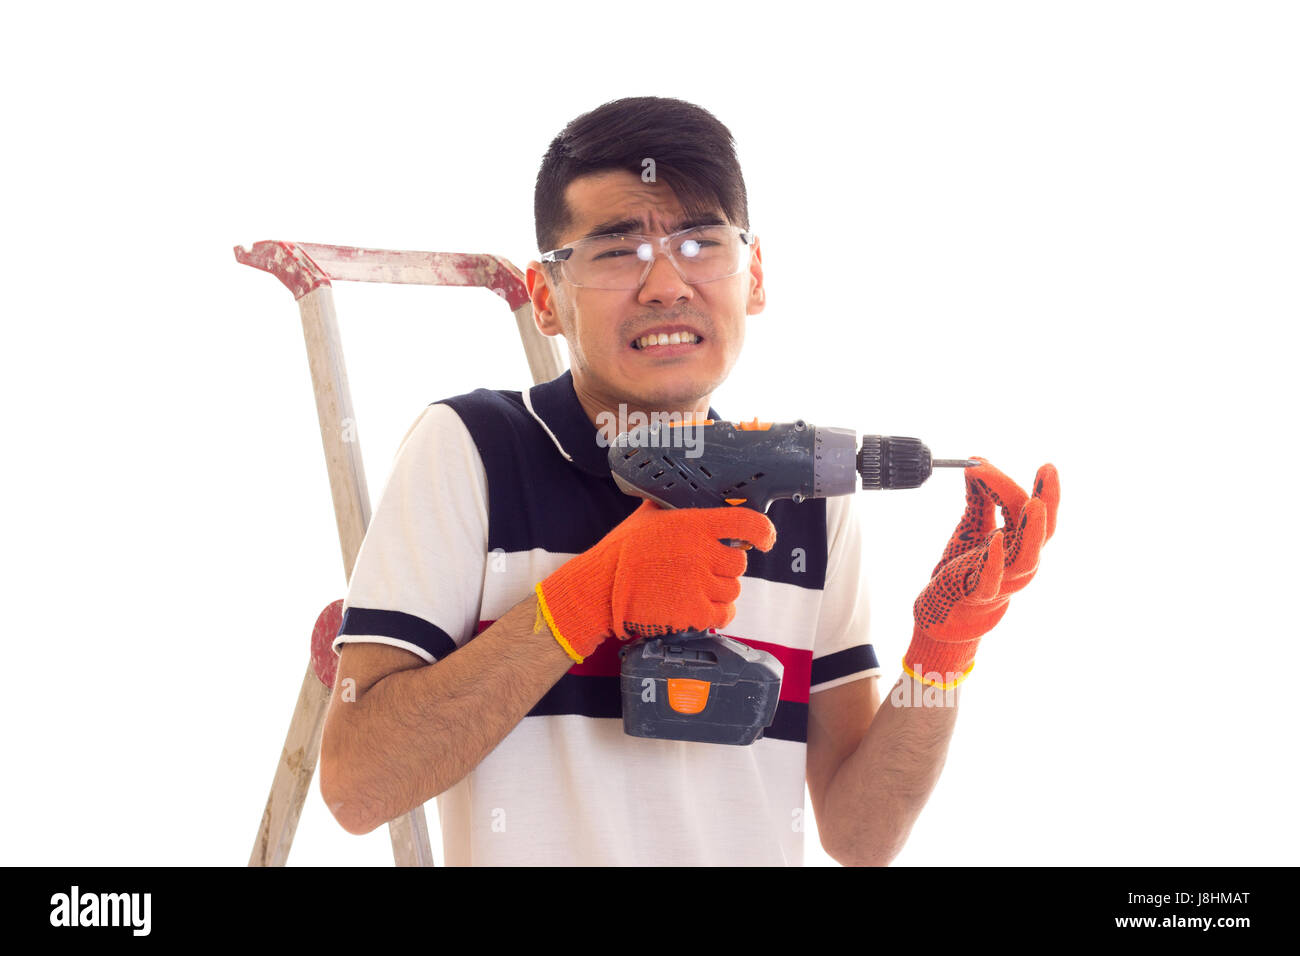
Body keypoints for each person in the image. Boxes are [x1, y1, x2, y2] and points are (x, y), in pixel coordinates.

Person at [318, 96, 1059, 866]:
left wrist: (940, 657)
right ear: (546, 299)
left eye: (701, 243)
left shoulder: (808, 505)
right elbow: (356, 787)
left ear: (756, 276)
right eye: (616, 251)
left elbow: (860, 835)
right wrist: (592, 595)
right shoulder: (472, 450)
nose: (666, 285)